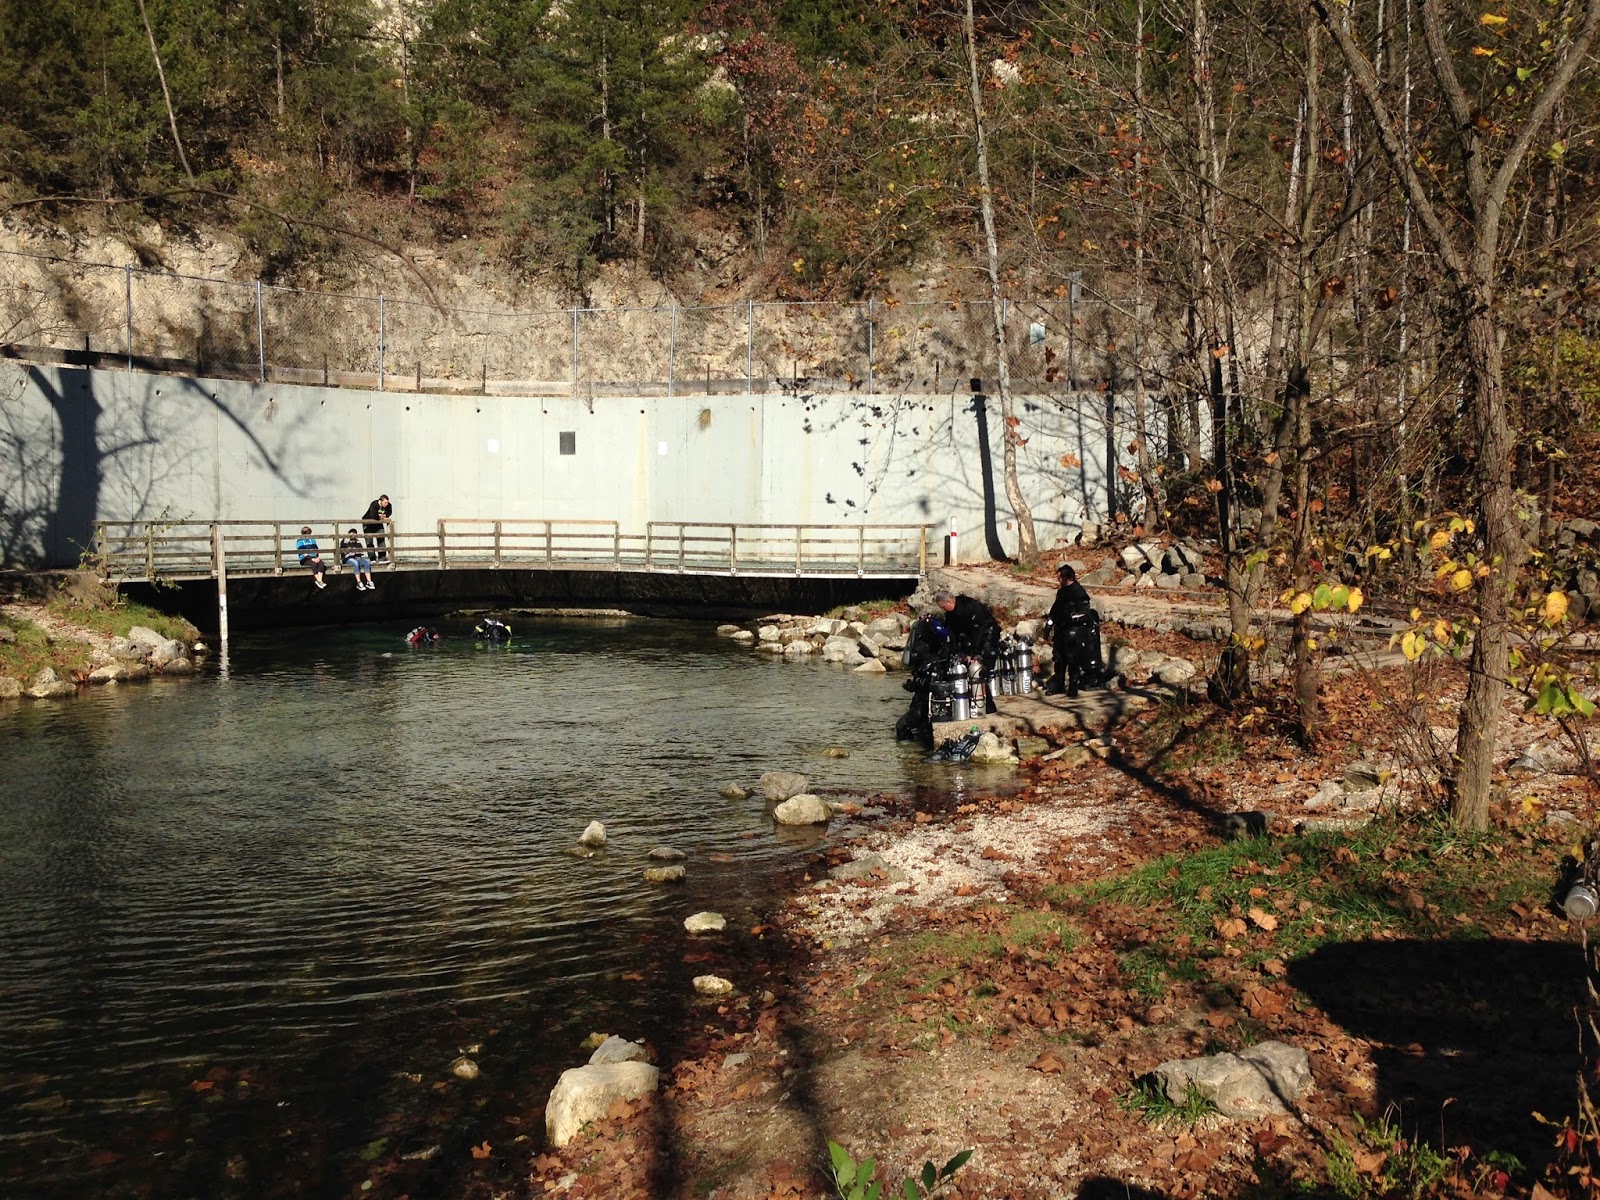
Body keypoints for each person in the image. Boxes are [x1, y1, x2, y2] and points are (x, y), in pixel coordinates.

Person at [1046, 563, 1109, 697]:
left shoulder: (1078, 592)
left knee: (1072, 659)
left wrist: (1072, 618)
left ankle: (1073, 686)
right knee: (1059, 658)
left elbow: (1085, 612)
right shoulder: (1061, 592)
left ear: (1065, 577)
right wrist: (1049, 624)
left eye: (1060, 578)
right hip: (1061, 630)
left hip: (1074, 631)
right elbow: (1055, 609)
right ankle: (1059, 684)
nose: (1058, 581)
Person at [933, 589, 1001, 713]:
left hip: (987, 637)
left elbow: (978, 631)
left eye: (943, 607)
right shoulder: (951, 614)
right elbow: (953, 633)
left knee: (980, 673)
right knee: (967, 673)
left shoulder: (970, 606)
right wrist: (957, 651)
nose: (943, 610)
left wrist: (973, 653)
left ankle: (988, 707)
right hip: (970, 640)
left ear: (949, 602)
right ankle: (973, 704)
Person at [895, 613, 950, 741]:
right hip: (927, 703)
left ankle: (911, 754)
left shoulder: (932, 660)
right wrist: (914, 685)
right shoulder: (935, 657)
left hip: (928, 704)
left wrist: (917, 685)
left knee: (902, 727)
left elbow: (933, 685)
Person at [363, 494, 393, 562]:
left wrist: (382, 517)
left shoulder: (389, 505)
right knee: (369, 542)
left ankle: (382, 557)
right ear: (380, 501)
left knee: (381, 540)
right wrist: (383, 517)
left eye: (387, 502)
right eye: (385, 502)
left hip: (378, 523)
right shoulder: (374, 504)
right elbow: (374, 515)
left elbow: (389, 513)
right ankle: (372, 558)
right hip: (368, 524)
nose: (386, 504)